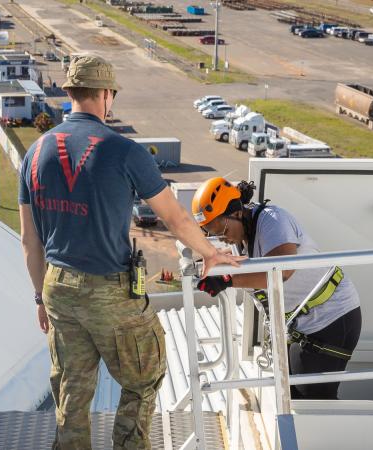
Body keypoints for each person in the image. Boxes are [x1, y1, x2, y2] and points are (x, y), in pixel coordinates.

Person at [18, 55, 243, 449]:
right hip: (108, 291)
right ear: (106, 95)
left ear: (70, 94)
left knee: (72, 389)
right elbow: (175, 219)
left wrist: (40, 297)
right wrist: (210, 253)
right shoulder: (125, 151)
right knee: (146, 374)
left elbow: (28, 240)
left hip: (57, 288)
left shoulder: (34, 154)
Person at [192, 177, 362, 400]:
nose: (220, 237)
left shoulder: (272, 220)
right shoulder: (240, 237)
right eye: (210, 232)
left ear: (237, 212)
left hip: (332, 318)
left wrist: (228, 279)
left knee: (313, 400)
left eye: (220, 228)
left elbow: (282, 271)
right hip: (304, 322)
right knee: (292, 395)